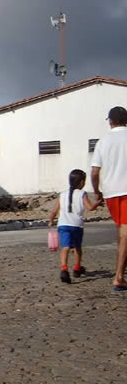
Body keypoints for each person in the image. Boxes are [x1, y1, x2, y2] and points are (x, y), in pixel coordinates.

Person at [91, 105, 127, 291]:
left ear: (110, 121)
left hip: (112, 192)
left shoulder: (103, 142)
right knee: (125, 232)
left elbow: (95, 172)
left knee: (122, 231)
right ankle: (119, 276)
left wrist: (96, 191)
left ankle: (120, 273)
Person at [48, 169, 100, 284]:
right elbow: (90, 207)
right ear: (81, 182)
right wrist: (98, 202)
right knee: (77, 247)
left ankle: (64, 269)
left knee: (65, 247)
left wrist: (51, 220)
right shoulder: (82, 194)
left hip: (63, 225)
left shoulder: (62, 194)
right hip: (76, 225)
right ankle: (77, 268)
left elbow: (55, 210)